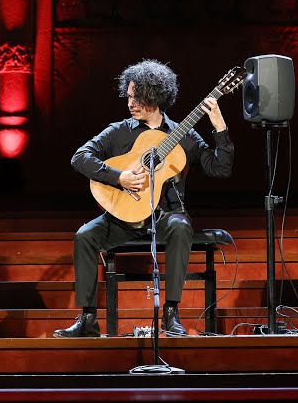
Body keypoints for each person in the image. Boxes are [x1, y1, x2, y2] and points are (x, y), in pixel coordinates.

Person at [54, 59, 235, 338]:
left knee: (180, 226)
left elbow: (219, 168)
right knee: (84, 235)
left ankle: (171, 314)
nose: (131, 103)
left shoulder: (182, 134)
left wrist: (220, 129)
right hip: (122, 218)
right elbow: (80, 158)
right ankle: (88, 319)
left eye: (137, 97)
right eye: (129, 96)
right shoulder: (120, 131)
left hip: (164, 217)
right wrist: (119, 177)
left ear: (157, 96)